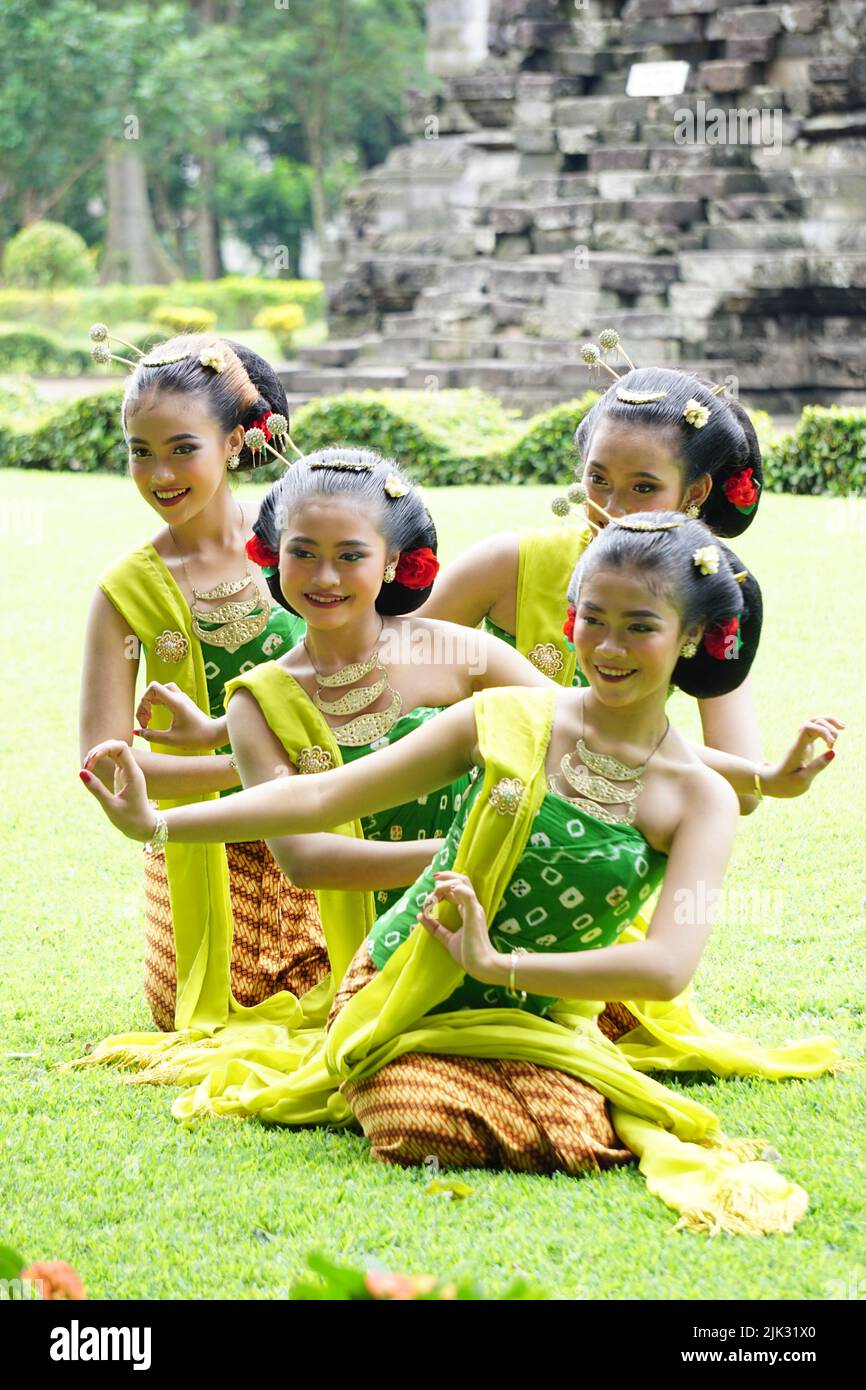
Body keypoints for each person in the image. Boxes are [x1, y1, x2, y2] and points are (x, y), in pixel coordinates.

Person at [76, 513, 842, 1235]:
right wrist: (158, 823)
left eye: (640, 627)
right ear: (570, 614)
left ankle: (545, 1083)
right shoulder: (510, 717)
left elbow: (666, 967)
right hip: (404, 979)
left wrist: (497, 964)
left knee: (571, 1130)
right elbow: (320, 793)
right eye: (592, 619)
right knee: (412, 1122)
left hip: (539, 1014)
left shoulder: (699, 797)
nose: (608, 647)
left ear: (693, 636)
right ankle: (416, 1065)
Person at [79, 328, 325, 1031]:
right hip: (202, 844)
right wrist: (263, 772)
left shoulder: (300, 546)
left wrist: (308, 782)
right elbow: (109, 771)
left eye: (182, 448)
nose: (160, 474)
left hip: (330, 819)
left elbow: (373, 679)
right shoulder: (126, 591)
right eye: (140, 451)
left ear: (235, 442)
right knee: (220, 1006)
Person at [419, 335, 765, 807]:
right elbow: (388, 666)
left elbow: (741, 788)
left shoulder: (702, 590)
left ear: (696, 492)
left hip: (602, 830)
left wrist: (625, 749)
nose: (611, 509)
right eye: (598, 480)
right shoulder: (508, 564)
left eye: (643, 487)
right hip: (467, 812)